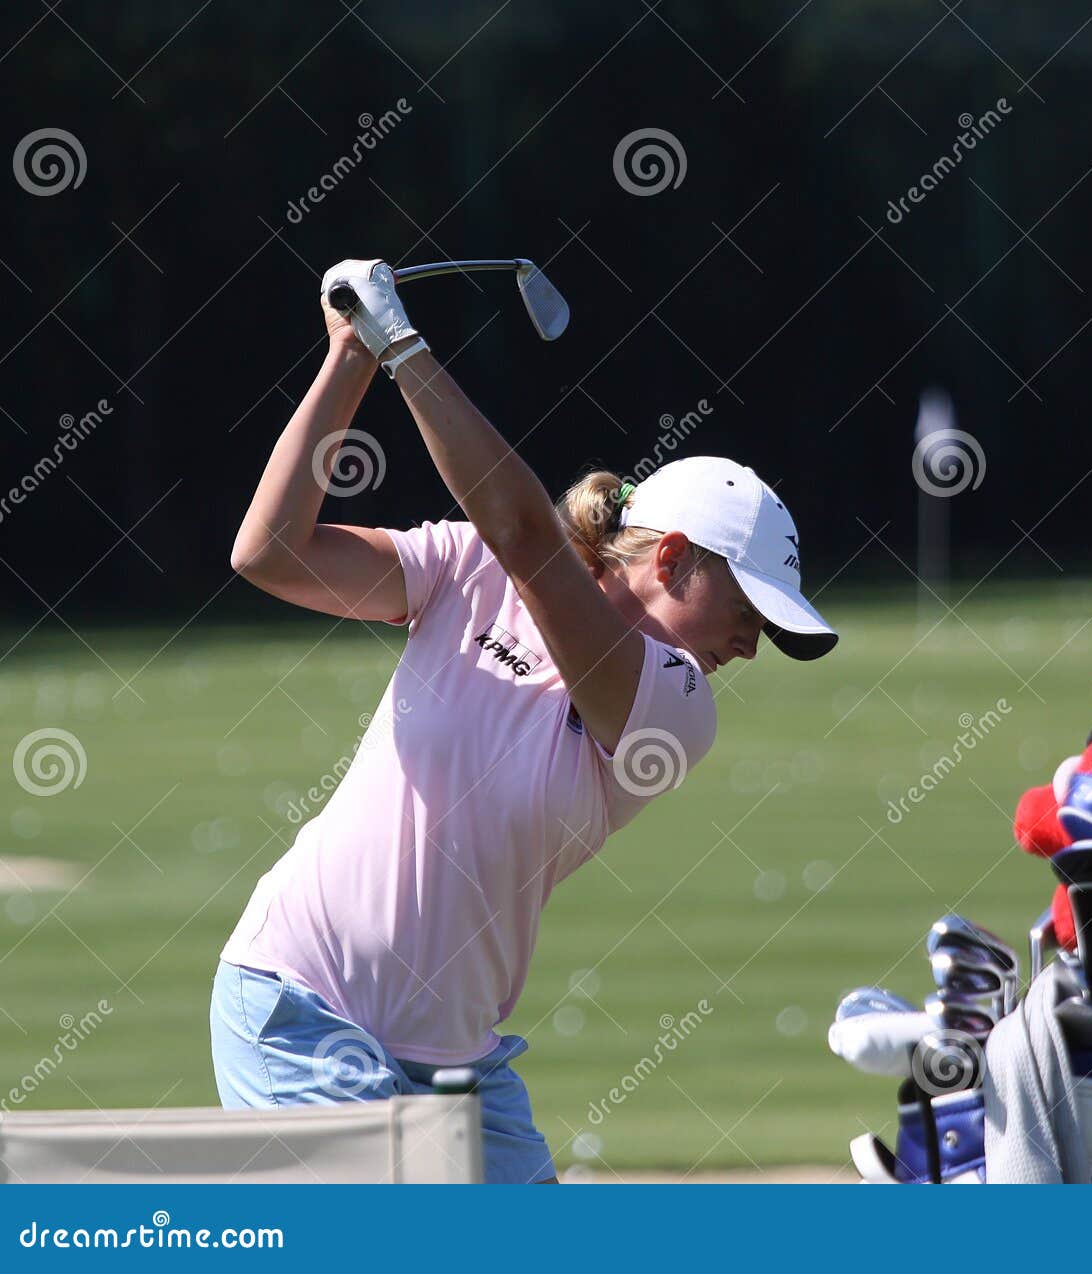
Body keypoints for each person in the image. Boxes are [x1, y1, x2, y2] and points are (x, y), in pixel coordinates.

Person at [211, 257, 837, 1183]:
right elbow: (270, 553)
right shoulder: (467, 567)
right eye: (746, 610)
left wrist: (405, 347)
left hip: (456, 1067)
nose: (750, 646)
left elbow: (526, 535)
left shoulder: (678, 709)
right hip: (300, 1007)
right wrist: (351, 356)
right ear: (671, 560)